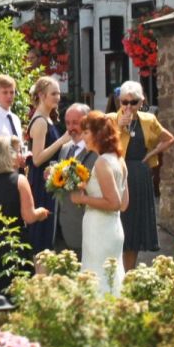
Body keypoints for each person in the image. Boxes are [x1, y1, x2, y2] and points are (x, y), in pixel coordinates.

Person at [0, 135, 50, 295]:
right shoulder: (19, 181)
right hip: (12, 246)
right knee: (15, 301)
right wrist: (41, 212)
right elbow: (29, 216)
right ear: (9, 155)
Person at [111, 81, 174, 269]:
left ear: (141, 102)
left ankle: (129, 271)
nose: (128, 106)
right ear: (119, 101)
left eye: (133, 102)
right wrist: (117, 127)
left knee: (134, 229)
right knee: (119, 224)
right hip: (118, 175)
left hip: (139, 174)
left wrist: (152, 154)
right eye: (124, 102)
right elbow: (96, 144)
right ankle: (116, 271)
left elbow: (169, 139)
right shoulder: (110, 119)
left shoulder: (148, 120)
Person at [74, 111, 128, 294]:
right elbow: (124, 204)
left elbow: (114, 202)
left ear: (98, 134)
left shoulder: (102, 163)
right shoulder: (120, 160)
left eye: (86, 133)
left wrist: (82, 198)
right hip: (113, 227)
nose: (83, 137)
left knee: (98, 278)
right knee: (111, 276)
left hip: (99, 229)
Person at [24, 76, 68, 254]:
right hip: (41, 182)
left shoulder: (47, 118)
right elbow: (37, 158)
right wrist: (62, 141)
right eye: (54, 93)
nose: (58, 97)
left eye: (59, 93)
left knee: (48, 232)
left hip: (49, 180)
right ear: (41, 95)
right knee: (41, 232)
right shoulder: (41, 121)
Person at [52, 103, 98, 254]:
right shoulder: (65, 148)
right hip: (61, 227)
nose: (71, 128)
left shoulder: (96, 152)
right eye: (67, 123)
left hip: (83, 226)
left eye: (75, 123)